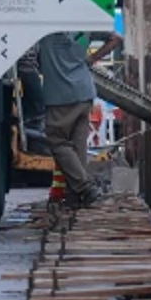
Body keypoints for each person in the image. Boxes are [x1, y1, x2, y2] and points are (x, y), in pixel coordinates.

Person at [38, 29, 122, 207]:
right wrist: (92, 59)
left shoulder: (44, 28)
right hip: (84, 91)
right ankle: (74, 197)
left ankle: (85, 188)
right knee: (78, 145)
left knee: (57, 141)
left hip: (59, 95)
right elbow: (115, 38)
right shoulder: (84, 24)